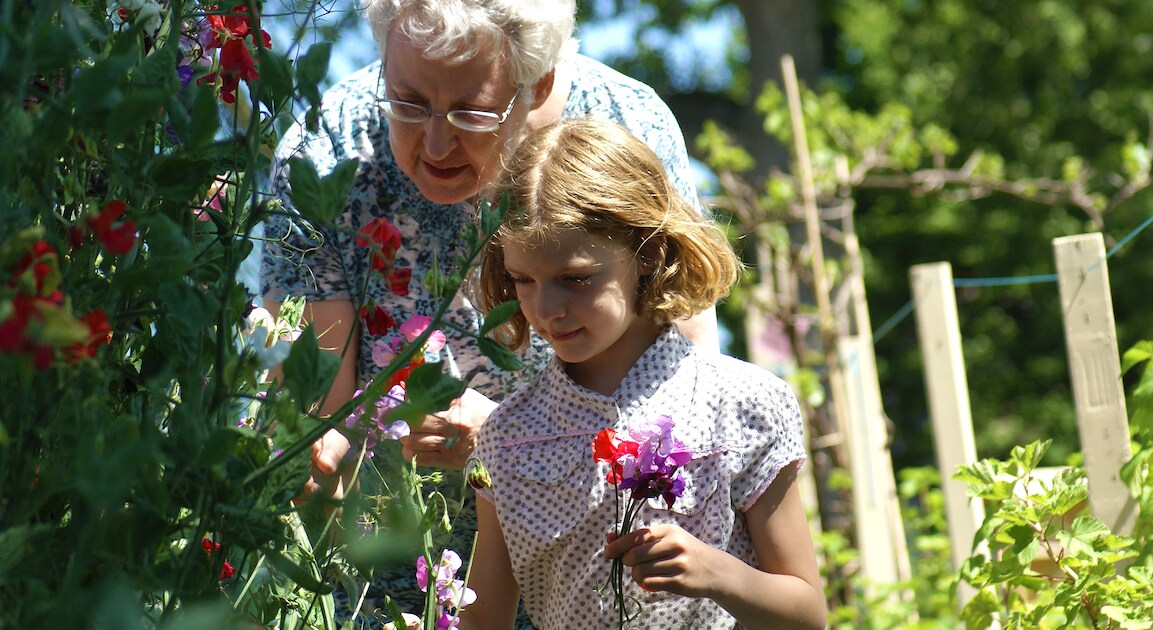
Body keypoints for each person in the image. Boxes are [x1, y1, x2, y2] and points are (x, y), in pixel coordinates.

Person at [260, 0, 719, 625]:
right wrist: (327, 449)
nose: (436, 142)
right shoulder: (329, 152)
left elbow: (685, 413)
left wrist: (510, 441)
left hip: (591, 578)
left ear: (540, 83)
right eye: (408, 102)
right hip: (391, 593)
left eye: (472, 112)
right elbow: (319, 414)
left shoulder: (626, 127)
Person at [462, 118, 826, 629]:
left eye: (575, 279)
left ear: (648, 254)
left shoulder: (742, 403)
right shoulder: (508, 436)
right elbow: (483, 621)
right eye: (523, 280)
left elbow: (807, 615)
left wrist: (718, 573)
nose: (546, 309)